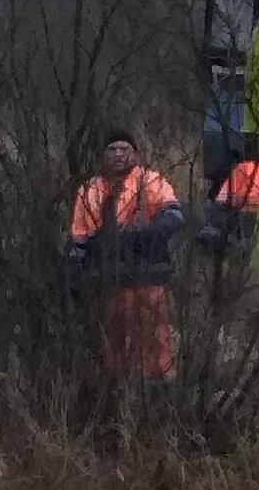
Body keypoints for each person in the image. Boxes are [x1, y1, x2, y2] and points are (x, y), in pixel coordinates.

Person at [67, 128, 184, 381]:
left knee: (154, 340)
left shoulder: (150, 181)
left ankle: (159, 389)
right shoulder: (89, 190)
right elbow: (79, 237)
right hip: (107, 278)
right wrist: (76, 270)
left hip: (147, 275)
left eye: (124, 148)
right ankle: (115, 390)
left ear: (135, 154)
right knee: (110, 340)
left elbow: (174, 214)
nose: (119, 154)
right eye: (112, 149)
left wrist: (151, 233)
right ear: (101, 155)